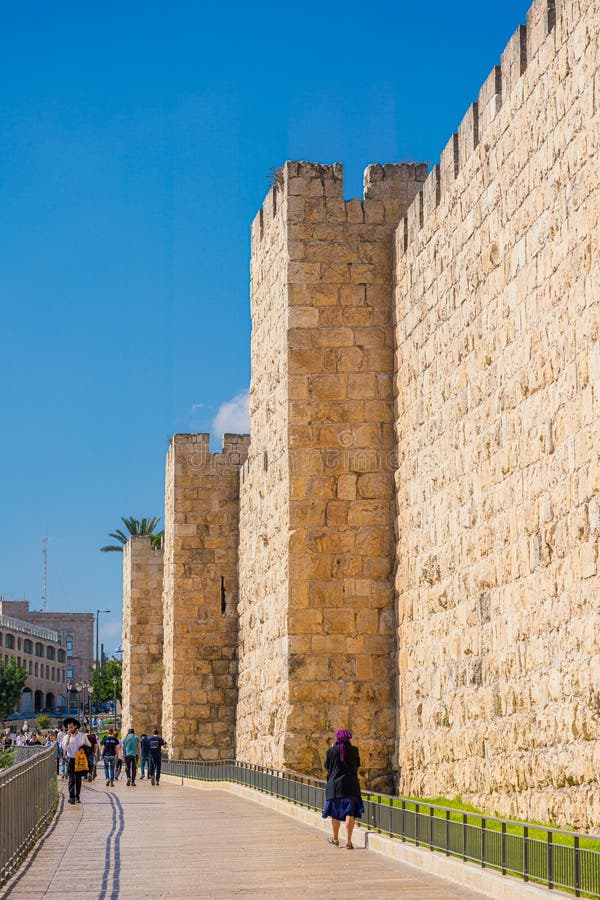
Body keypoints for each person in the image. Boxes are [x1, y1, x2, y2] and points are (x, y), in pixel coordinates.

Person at [322, 728, 364, 849]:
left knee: (335, 814)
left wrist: (332, 748)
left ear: (337, 738)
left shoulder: (331, 751)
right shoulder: (354, 750)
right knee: (350, 813)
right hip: (351, 786)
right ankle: (348, 841)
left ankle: (335, 838)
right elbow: (357, 765)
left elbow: (326, 766)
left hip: (335, 787)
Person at [61, 717, 91, 805]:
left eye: (71, 726)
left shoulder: (82, 736)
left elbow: (89, 745)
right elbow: (64, 748)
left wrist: (83, 749)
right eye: (68, 727)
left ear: (75, 726)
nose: (69, 728)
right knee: (71, 779)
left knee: (78, 779)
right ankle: (71, 797)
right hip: (71, 759)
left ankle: (77, 796)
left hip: (79, 759)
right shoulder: (66, 737)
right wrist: (69, 736)